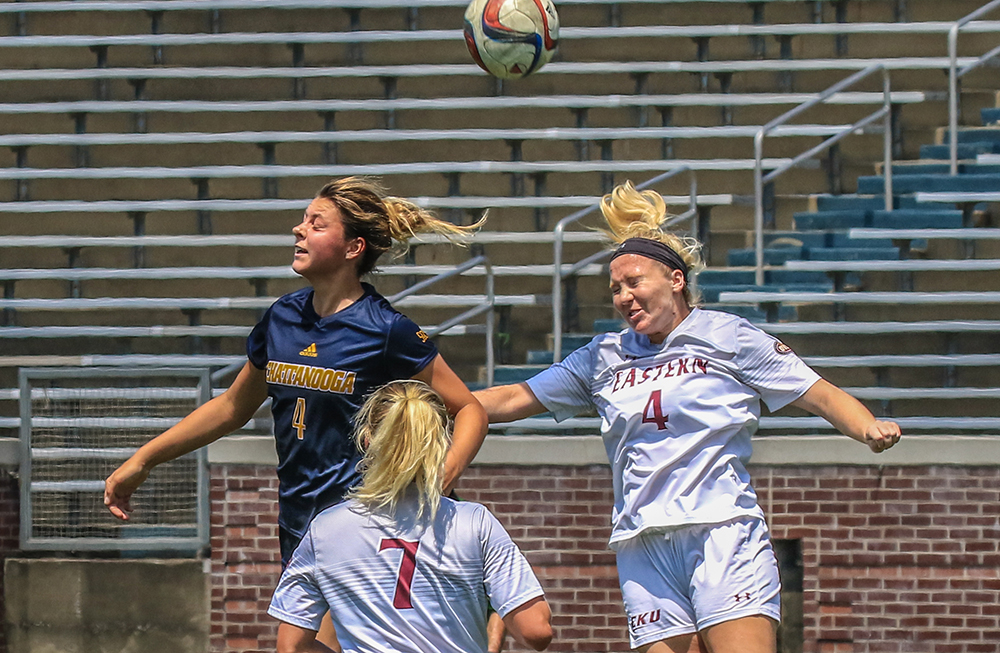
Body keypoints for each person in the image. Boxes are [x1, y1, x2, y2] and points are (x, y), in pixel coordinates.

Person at [473, 181, 901, 653]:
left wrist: (866, 427)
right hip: (642, 542)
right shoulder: (603, 356)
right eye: (615, 289)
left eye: (634, 283)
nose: (623, 297)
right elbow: (515, 397)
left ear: (675, 280)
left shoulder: (727, 335)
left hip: (721, 530)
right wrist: (436, 399)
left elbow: (817, 393)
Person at [103, 176, 490, 650]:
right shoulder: (282, 317)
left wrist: (440, 479)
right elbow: (231, 407)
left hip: (357, 519)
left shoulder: (387, 330)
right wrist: (144, 459)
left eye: (315, 223)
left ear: (354, 248)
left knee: (297, 647)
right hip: (296, 517)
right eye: (302, 220)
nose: (297, 230)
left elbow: (469, 409)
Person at [269, 380, 553, 653]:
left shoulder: (326, 529)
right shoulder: (474, 522)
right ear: (440, 445)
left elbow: (291, 645)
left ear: (367, 440)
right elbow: (536, 631)